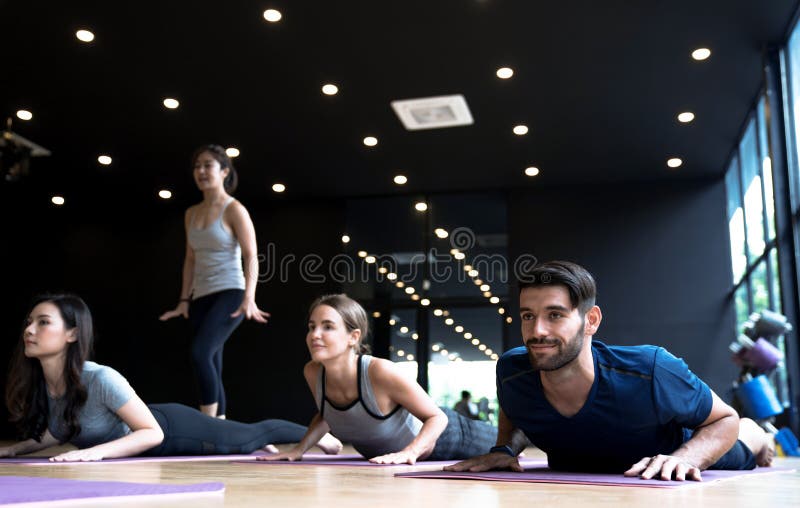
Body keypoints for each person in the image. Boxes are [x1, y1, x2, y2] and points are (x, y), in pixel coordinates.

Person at [446, 261, 775, 481]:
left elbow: (724, 419)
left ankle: (760, 435)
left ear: (591, 321)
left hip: (676, 452)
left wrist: (687, 459)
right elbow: (515, 407)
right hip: (586, 471)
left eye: (555, 315)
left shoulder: (651, 369)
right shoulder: (512, 370)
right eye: (528, 316)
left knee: (745, 439)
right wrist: (505, 448)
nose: (537, 331)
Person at [1, 294, 340, 461]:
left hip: (176, 430)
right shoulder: (45, 382)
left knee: (252, 435)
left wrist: (90, 453)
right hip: (155, 429)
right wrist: (19, 449)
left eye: (43, 322)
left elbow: (152, 433)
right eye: (29, 321)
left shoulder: (101, 378)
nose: (29, 329)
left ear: (72, 334)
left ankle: (323, 436)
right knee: (249, 437)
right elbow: (56, 430)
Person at [259, 294, 498, 464]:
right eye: (312, 327)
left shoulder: (379, 371)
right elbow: (327, 413)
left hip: (447, 437)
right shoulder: (313, 372)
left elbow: (437, 417)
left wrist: (410, 452)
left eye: (328, 327)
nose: (315, 335)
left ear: (353, 337)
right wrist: (299, 450)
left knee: (510, 443)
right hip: (392, 454)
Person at [160, 144, 269, 419]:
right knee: (212, 361)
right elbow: (190, 259)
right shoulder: (191, 213)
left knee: (200, 354)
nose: (201, 171)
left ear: (224, 171)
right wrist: (184, 300)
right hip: (201, 297)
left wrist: (249, 296)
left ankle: (207, 425)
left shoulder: (234, 209)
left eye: (208, 165)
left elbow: (251, 255)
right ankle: (219, 428)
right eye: (197, 166)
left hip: (231, 292)